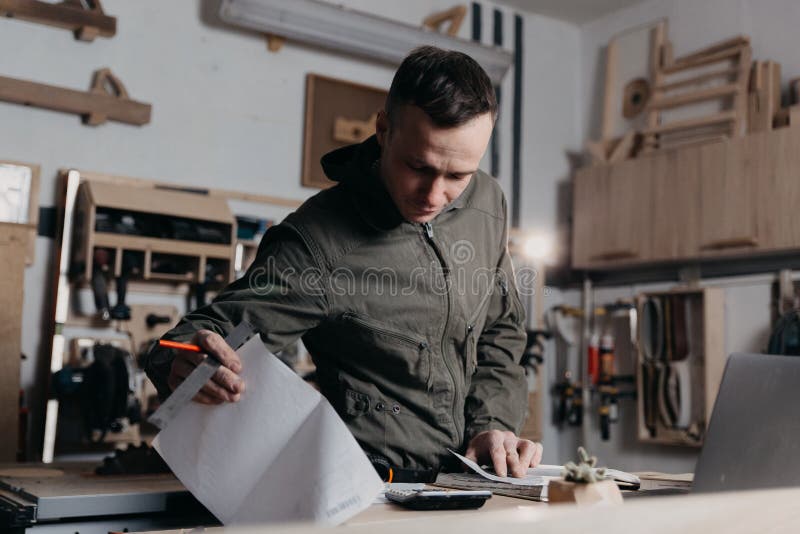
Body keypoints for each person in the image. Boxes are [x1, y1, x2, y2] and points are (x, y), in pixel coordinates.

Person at [144, 45, 543, 481]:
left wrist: (493, 424)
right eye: (418, 166)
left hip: (472, 480)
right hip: (370, 490)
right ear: (384, 127)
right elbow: (206, 337)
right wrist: (182, 362)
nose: (433, 195)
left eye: (457, 176)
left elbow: (501, 330)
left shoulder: (487, 203)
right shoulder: (318, 243)